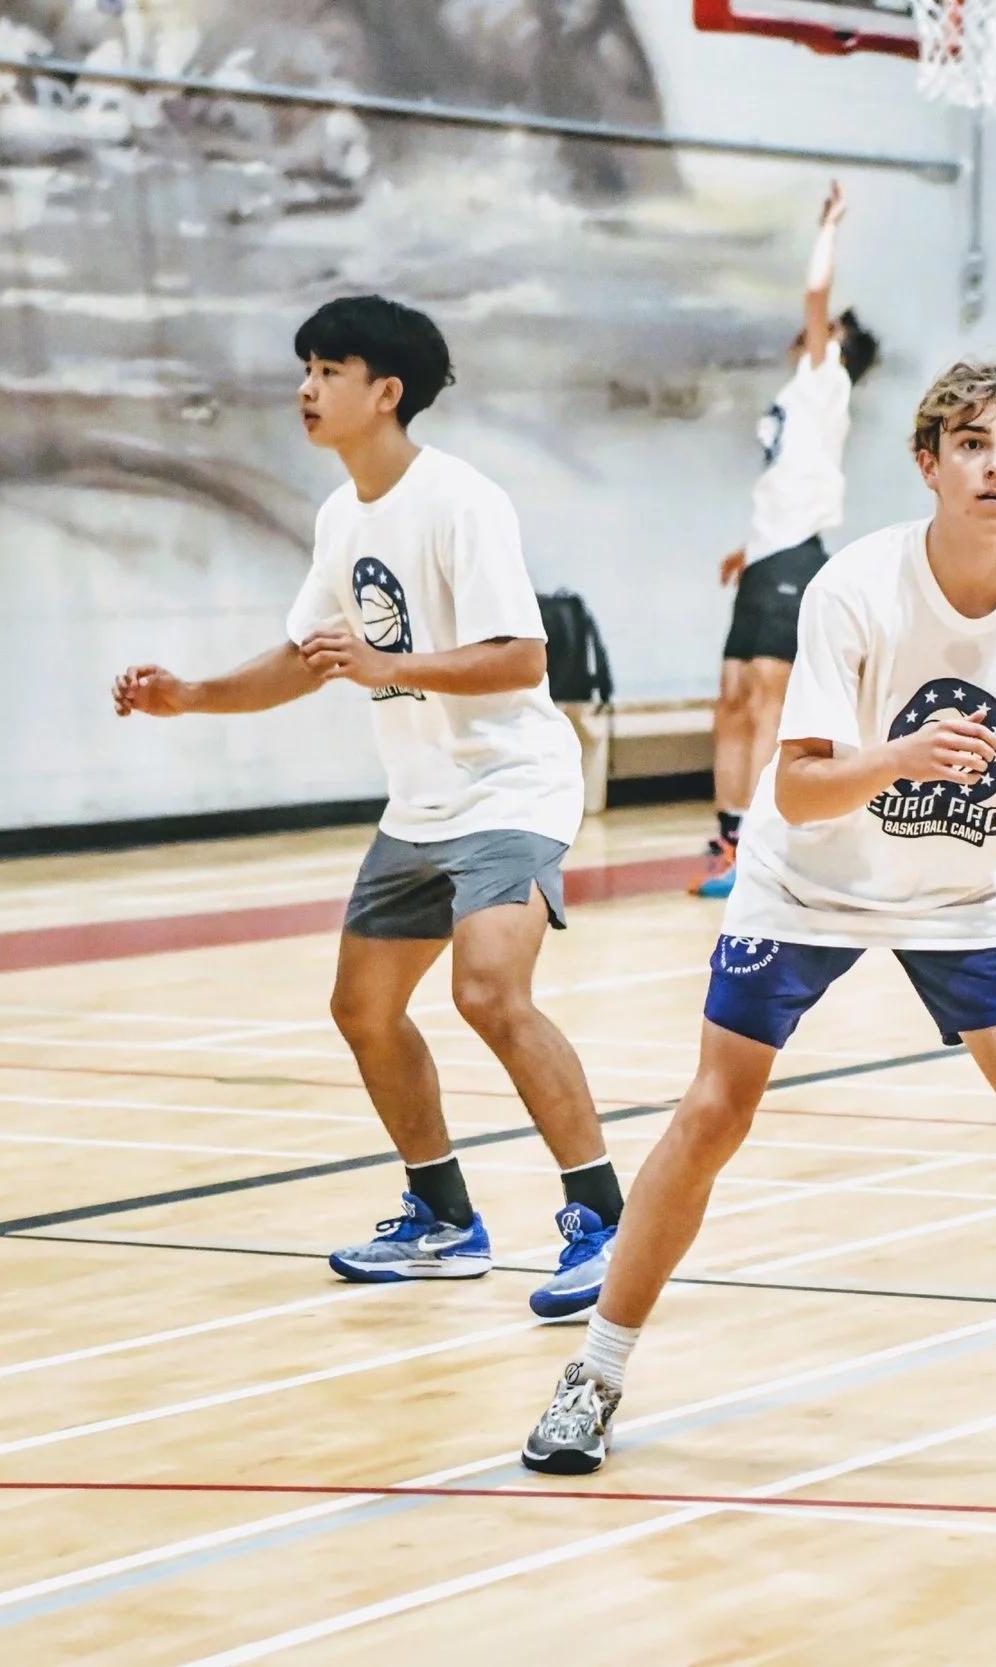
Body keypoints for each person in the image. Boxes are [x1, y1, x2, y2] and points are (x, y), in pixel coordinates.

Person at [520, 356, 996, 1479]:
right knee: (715, 1109)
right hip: (807, 881)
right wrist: (901, 757)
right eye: (973, 444)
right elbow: (797, 789)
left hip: (961, 891)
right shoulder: (856, 586)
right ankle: (594, 1373)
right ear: (928, 462)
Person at [113, 295, 620, 1318]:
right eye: (305, 368)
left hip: (511, 785)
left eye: (329, 371)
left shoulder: (460, 500)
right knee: (363, 1009)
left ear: (386, 392)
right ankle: (443, 1219)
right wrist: (192, 694)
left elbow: (523, 657)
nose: (307, 388)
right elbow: (309, 657)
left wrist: (391, 664)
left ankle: (608, 1221)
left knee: (489, 992)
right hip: (422, 800)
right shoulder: (341, 516)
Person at [692, 181, 880, 900]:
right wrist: (748, 550)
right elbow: (783, 482)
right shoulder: (799, 394)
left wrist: (829, 227)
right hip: (767, 557)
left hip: (796, 558)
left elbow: (815, 292)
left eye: (829, 327)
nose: (815, 327)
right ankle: (729, 837)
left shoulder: (826, 380)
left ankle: (762, 843)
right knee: (732, 696)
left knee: (768, 698)